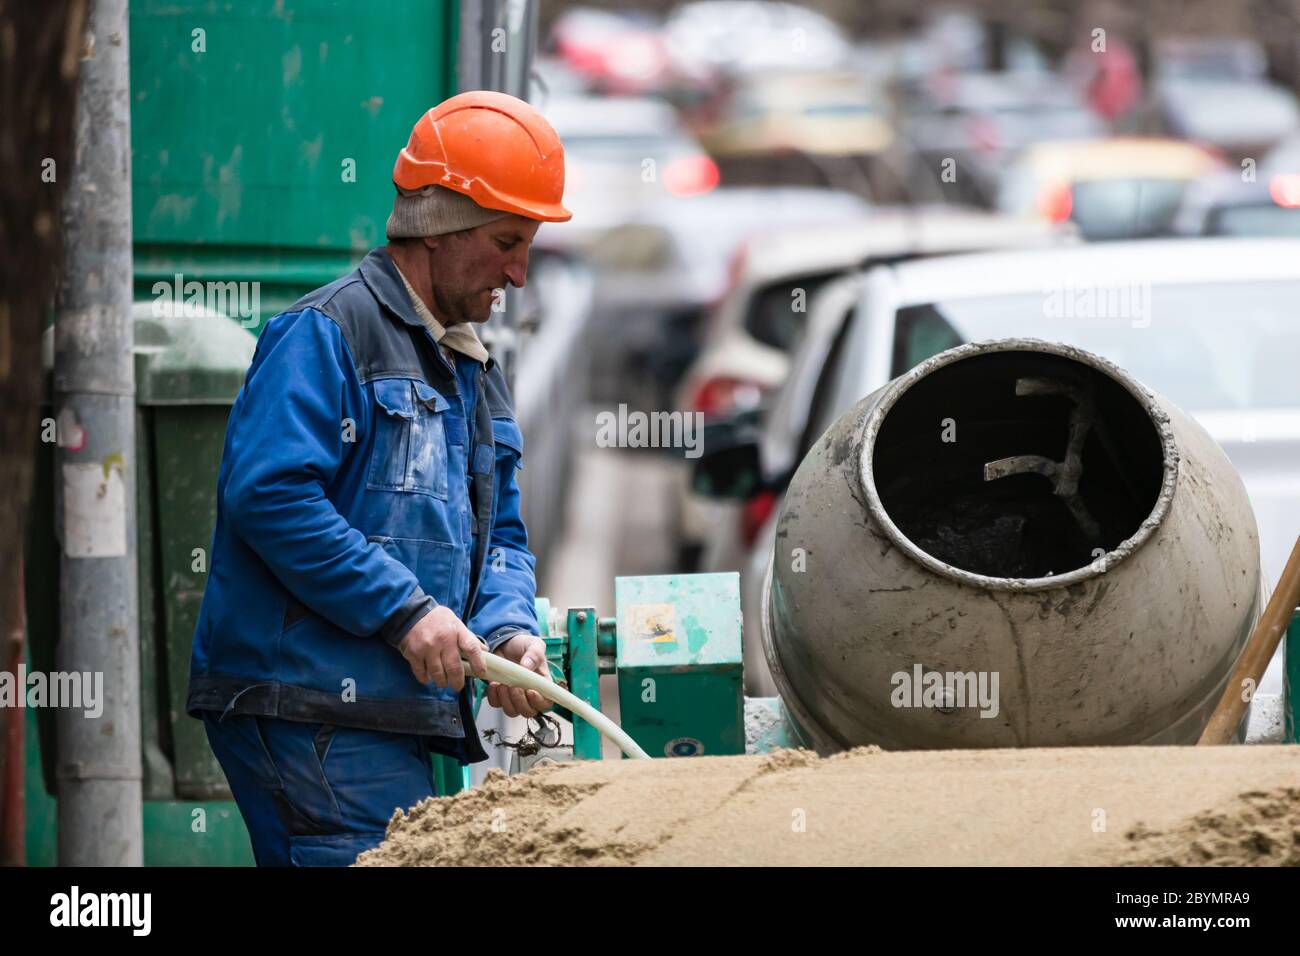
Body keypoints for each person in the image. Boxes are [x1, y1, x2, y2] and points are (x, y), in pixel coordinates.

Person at [186, 91, 572, 866]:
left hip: (388, 719)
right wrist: (404, 611)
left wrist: (509, 630)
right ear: (440, 227)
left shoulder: (473, 369)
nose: (520, 274)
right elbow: (270, 494)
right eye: (506, 241)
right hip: (311, 711)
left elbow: (499, 535)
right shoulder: (325, 334)